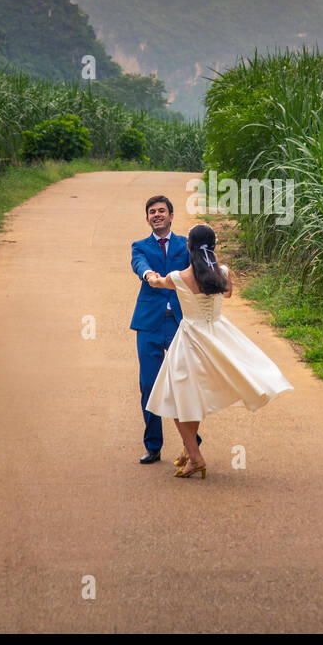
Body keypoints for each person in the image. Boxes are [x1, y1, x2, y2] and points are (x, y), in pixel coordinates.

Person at [142, 223, 293, 479]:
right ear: (213, 247)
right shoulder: (222, 272)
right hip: (218, 337)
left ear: (188, 247)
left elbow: (157, 283)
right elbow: (229, 293)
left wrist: (149, 276)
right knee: (191, 399)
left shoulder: (179, 277)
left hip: (190, 341)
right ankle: (190, 451)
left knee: (176, 399)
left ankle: (196, 457)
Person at [129, 195, 199, 464]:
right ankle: (153, 446)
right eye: (152, 212)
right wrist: (149, 275)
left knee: (185, 383)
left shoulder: (185, 244)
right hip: (149, 323)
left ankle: (192, 446)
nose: (157, 215)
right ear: (147, 219)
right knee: (149, 384)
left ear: (171, 216)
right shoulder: (140, 247)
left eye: (162, 211)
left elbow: (200, 269)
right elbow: (140, 266)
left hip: (181, 322)